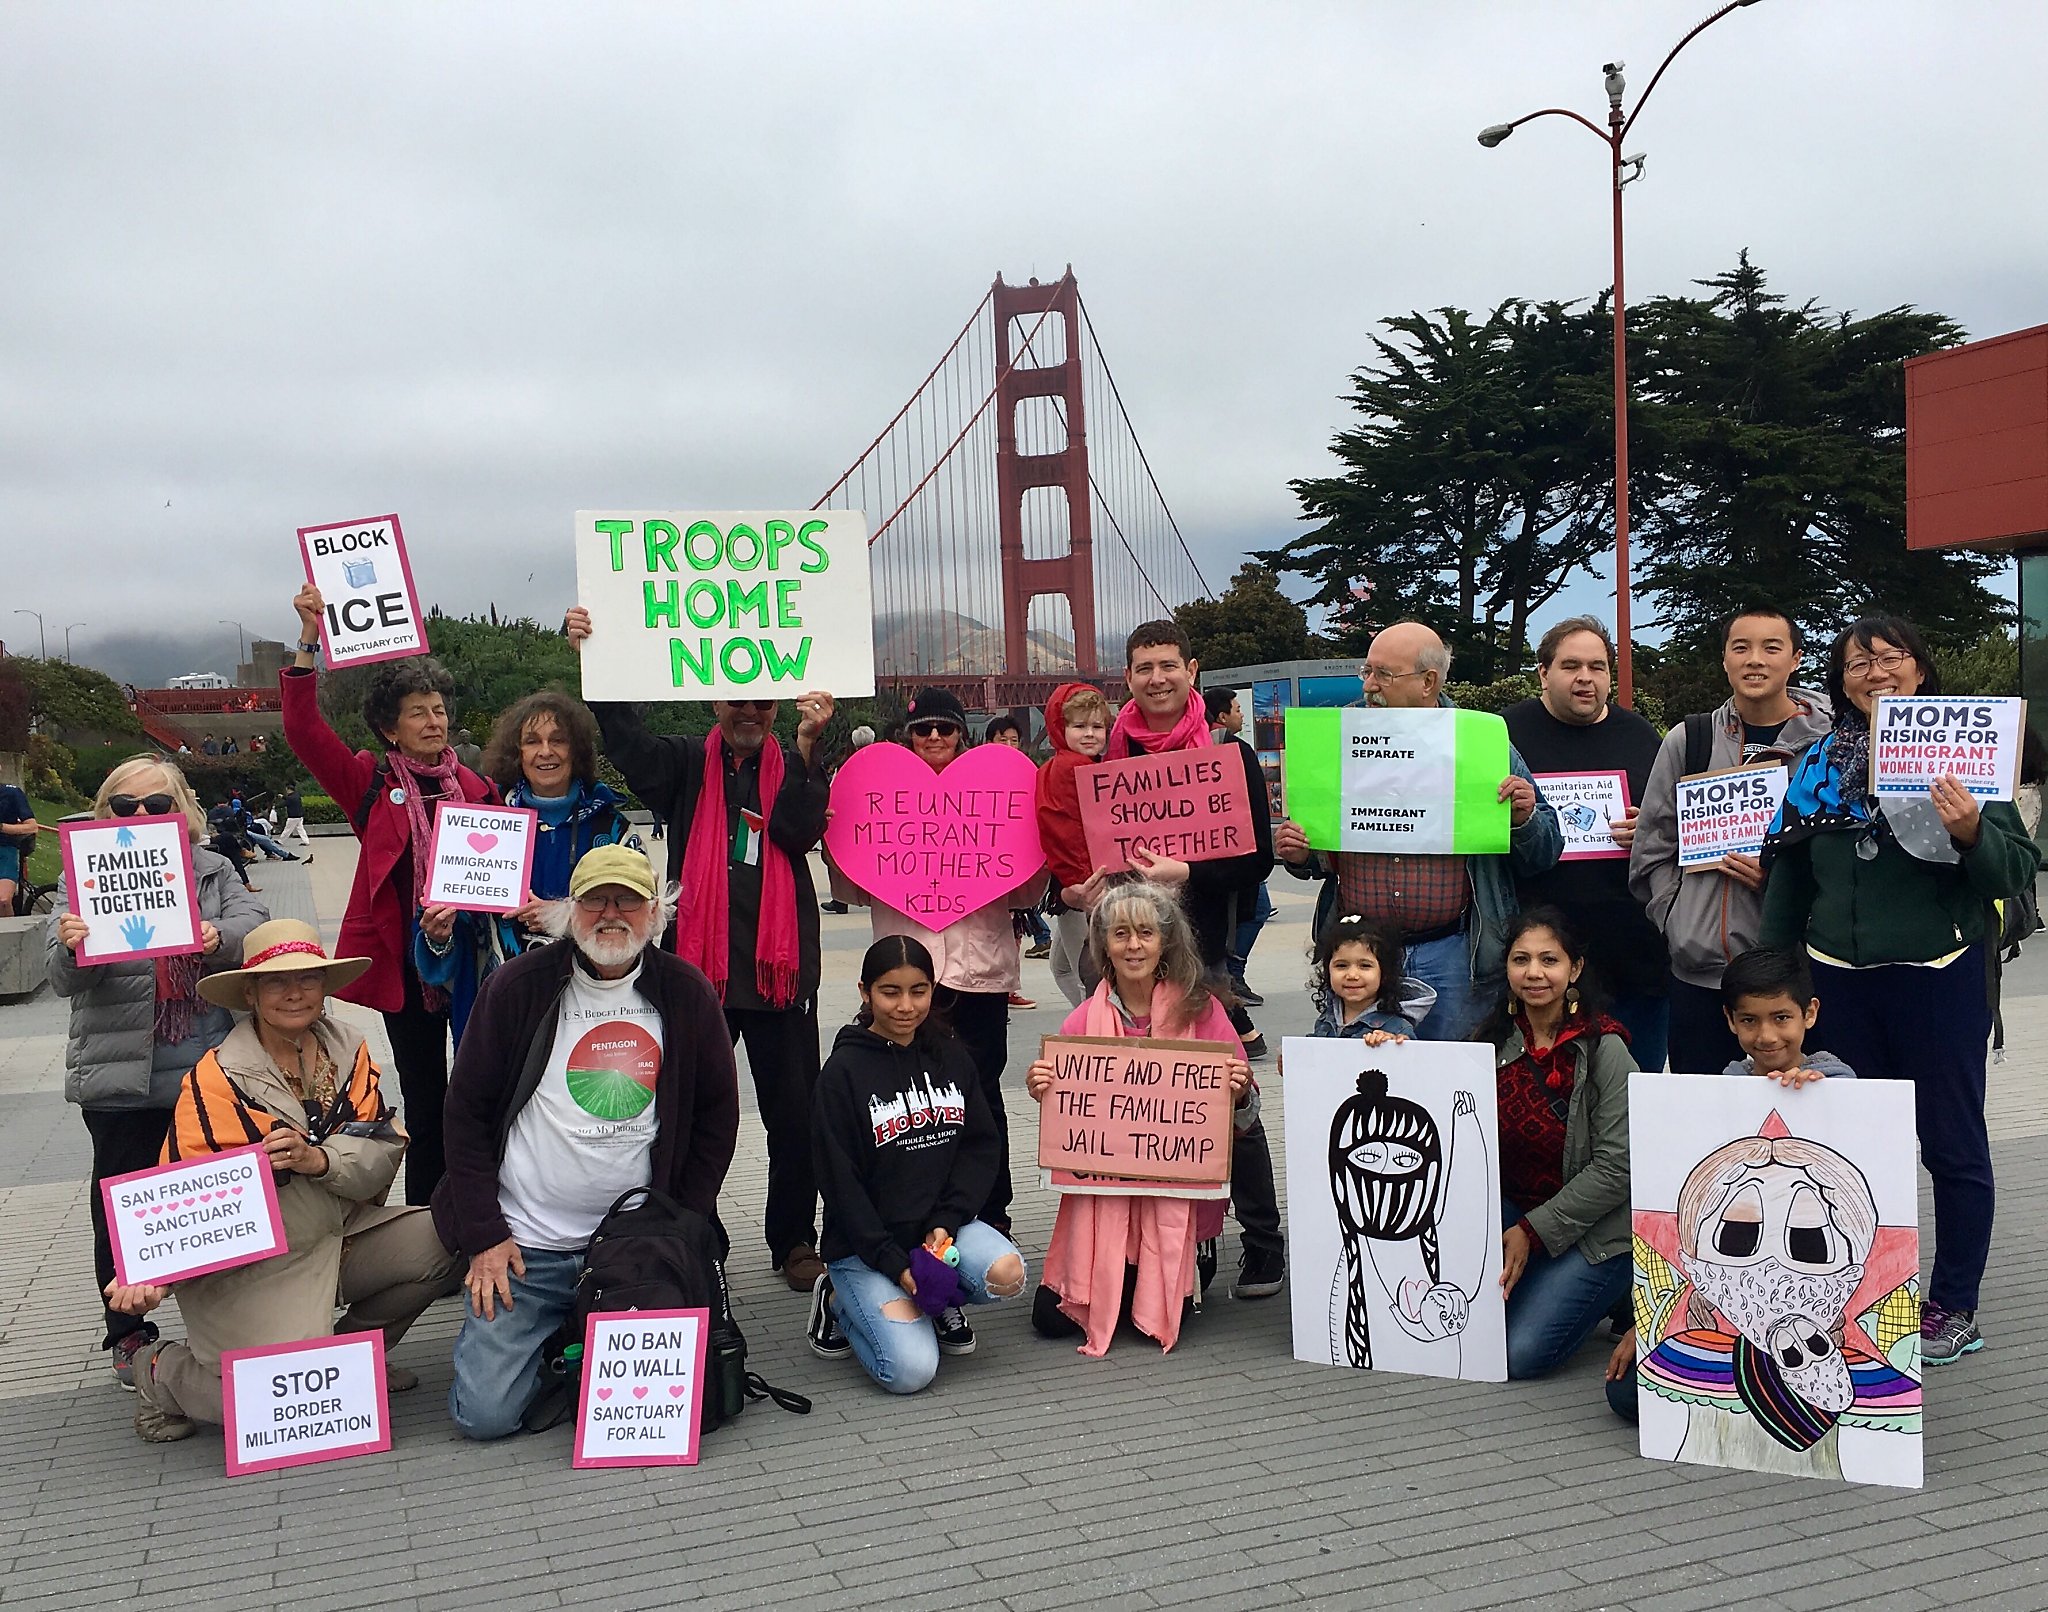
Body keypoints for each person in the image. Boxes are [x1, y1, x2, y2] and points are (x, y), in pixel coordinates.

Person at [1760, 614, 2040, 1367]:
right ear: (1840, 681)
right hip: (1839, 988)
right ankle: (1868, 1293)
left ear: (1920, 669)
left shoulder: (1966, 758)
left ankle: (1954, 1304)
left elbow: (2014, 874)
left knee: (1951, 1146)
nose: (1875, 671)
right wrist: (1769, 980)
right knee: (1851, 1152)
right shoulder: (1814, 765)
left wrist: (1975, 830)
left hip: (1938, 984)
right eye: (1857, 662)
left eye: (1891, 656)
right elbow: (1785, 883)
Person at [563, 604, 835, 1292]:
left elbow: (799, 835)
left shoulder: (794, 760)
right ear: (713, 698)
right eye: (736, 697)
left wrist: (808, 747)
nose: (749, 709)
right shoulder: (684, 763)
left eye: (761, 699)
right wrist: (601, 659)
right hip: (699, 977)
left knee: (795, 1115)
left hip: (778, 975)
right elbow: (626, 740)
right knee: (687, 1115)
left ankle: (794, 1238)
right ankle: (695, 1233)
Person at [113, 920, 463, 1442]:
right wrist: (150, 1276)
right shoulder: (216, 1077)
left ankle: (351, 1361)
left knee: (450, 1236)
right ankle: (160, 1372)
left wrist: (318, 1160)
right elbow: (186, 1198)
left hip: (337, 1234)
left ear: (325, 987)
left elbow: (384, 1151)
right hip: (256, 1268)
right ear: (250, 993)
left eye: (308, 978)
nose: (295, 992)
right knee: (256, 1408)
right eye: (276, 982)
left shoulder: (351, 1050)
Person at [437, 846, 741, 1439]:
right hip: (528, 1249)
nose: (611, 913)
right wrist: (485, 1238)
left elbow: (717, 1119)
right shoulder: (516, 988)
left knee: (676, 1408)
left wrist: (681, 1224)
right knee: (483, 1416)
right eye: (595, 900)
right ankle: (568, 1342)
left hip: (637, 1249)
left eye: (628, 900)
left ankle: (578, 1341)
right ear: (566, 912)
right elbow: (465, 1115)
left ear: (656, 911)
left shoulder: (686, 992)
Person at [46, 756, 267, 1388]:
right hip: (122, 1078)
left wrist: (214, 937)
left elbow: (251, 924)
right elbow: (62, 980)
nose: (141, 816)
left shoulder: (213, 869)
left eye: (157, 804)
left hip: (205, 1072)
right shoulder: (79, 876)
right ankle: (129, 1335)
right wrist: (72, 943)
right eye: (124, 806)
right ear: (104, 813)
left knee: (218, 1206)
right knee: (120, 1209)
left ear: (183, 810)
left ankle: (225, 1323)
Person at [282, 584, 498, 1204]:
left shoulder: (479, 788)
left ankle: (482, 1213)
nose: (434, 722)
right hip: (409, 975)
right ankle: (427, 1228)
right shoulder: (370, 784)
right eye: (418, 713)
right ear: (390, 728)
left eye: (439, 710)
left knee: (480, 1097)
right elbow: (301, 728)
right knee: (427, 1101)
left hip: (474, 966)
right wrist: (307, 641)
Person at [1100, 624, 1283, 1299]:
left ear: (1192, 670)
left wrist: (1191, 869)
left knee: (1234, 1103)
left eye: (1168, 666)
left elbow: (1258, 858)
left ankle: (1263, 1242)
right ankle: (1175, 1243)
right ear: (1127, 676)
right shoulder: (1108, 759)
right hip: (1125, 953)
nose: (1157, 679)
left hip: (1203, 951)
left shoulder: (1230, 755)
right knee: (1145, 1108)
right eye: (1143, 667)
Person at [1277, 621, 1562, 1045]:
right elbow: (1317, 854)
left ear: (1429, 682)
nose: (1370, 685)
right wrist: (1299, 853)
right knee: (1362, 1082)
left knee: (1453, 1087)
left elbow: (1545, 852)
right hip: (1361, 955)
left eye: (1384, 675)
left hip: (1451, 953)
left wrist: (1523, 819)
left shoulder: (1481, 742)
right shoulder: (1336, 739)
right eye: (1367, 671)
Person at [1024, 882, 1255, 1354]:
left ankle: (1168, 1273)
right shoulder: (1082, 1022)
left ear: (1165, 942)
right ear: (1103, 945)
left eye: (1146, 933)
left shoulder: (1204, 1011)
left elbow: (1245, 1121)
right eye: (1122, 933)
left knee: (1144, 1308)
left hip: (1180, 1214)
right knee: (1049, 1320)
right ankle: (1123, 1280)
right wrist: (1042, 1090)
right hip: (1105, 1210)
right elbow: (1071, 1125)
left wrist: (1237, 1093)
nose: (1133, 945)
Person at [805, 936, 1027, 1389]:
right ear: (865, 992)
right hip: (866, 1249)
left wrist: (946, 1221)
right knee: (910, 1372)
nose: (906, 1006)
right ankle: (839, 1302)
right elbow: (841, 1186)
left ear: (932, 990)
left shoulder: (951, 1056)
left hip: (938, 1236)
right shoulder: (841, 1075)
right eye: (890, 992)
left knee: (1007, 1275)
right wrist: (894, 1265)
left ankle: (936, 1298)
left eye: (919, 990)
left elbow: (980, 1148)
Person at [1629, 605, 1832, 1074]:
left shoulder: (1827, 745)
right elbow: (1653, 847)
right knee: (1702, 1128)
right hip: (1698, 978)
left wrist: (1781, 887)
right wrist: (1676, 919)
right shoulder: (1690, 740)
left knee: (1791, 1119)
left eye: (1771, 647)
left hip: (1790, 980)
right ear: (1724, 660)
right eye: (1741, 648)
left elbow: (1839, 862)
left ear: (1797, 659)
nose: (1754, 659)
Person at [415, 691, 638, 1046]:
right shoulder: (479, 820)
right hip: (498, 1015)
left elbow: (640, 920)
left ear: (576, 749)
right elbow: (452, 935)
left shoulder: (612, 831)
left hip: (590, 1014)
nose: (545, 751)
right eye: (532, 741)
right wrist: (437, 935)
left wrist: (563, 916)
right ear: (517, 753)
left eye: (558, 740)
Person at [1474, 906, 1635, 1379]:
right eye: (1521, 960)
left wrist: (1531, 1231)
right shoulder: (1489, 1045)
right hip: (1511, 1217)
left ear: (1575, 969)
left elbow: (1617, 1168)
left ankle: (1618, 1287)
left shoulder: (1607, 1048)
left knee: (1518, 1356)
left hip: (1595, 1232)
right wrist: (1379, 1045)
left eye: (1550, 960)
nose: (1534, 973)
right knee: (1463, 1329)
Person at [1502, 616, 1669, 1069]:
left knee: (1637, 1097)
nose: (1585, 678)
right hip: (1540, 960)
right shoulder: (1505, 734)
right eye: (1571, 665)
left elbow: (1672, 823)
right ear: (1543, 672)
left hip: (1633, 956)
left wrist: (1651, 830)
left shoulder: (1638, 735)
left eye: (1597, 667)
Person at [1037, 681, 1113, 1009]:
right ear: (1060, 726)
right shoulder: (1078, 767)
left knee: (1063, 966)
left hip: (1070, 885)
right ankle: (1093, 1030)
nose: (1089, 734)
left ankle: (1086, 1024)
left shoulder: (1055, 764)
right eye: (1079, 725)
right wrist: (1083, 884)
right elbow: (1071, 831)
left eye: (1097, 726)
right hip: (1083, 886)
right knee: (1090, 974)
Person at [1718, 946, 1855, 1087]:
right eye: (1749, 1020)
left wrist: (1824, 1092)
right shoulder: (1723, 1090)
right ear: (1730, 1019)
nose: (1767, 1037)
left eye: (1781, 1018)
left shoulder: (1841, 1085)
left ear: (1809, 1013)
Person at [1307, 912, 1434, 1041]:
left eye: (1365, 966)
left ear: (1384, 974)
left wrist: (1394, 1045)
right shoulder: (1327, 1019)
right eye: (1341, 965)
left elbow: (1410, 1058)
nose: (1352, 975)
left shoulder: (1396, 1027)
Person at [0, 777, 36, 913]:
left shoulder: (11, 793)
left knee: (3, 900)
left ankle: (8, 933)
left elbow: (32, 827)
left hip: (5, 849)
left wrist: (2, 827)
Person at [279, 782, 312, 860]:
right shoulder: (296, 795)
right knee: (300, 829)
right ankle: (306, 841)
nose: (286, 791)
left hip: (293, 816)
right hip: (299, 815)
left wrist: (276, 806)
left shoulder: (290, 798)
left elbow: (286, 803)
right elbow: (288, 799)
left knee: (288, 829)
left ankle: (281, 841)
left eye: (287, 790)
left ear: (289, 790)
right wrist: (283, 797)